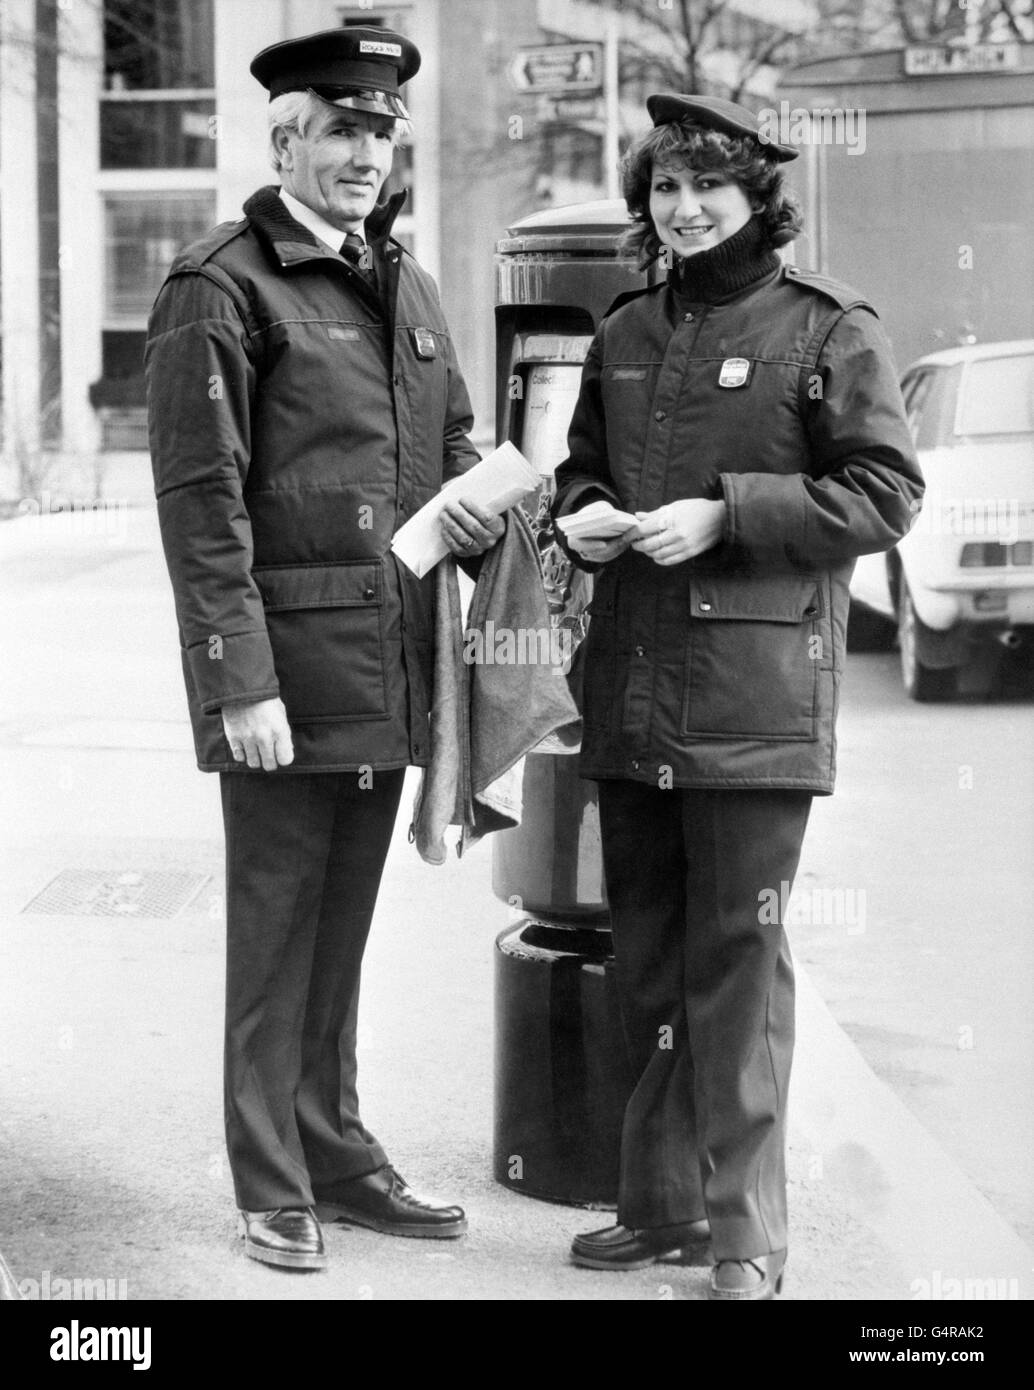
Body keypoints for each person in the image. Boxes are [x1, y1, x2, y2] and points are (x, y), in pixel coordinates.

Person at [551, 94, 924, 1299]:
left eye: (705, 184)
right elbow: (580, 472)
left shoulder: (826, 327)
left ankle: (744, 1235)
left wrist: (731, 509)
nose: (682, 205)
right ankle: (656, 1207)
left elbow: (882, 493)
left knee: (738, 969)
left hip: (754, 706)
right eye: (662, 185)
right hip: (633, 691)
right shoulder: (626, 327)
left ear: (757, 195)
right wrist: (584, 520)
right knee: (648, 962)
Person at [144, 25, 502, 1272]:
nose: (364, 152)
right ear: (284, 139)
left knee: (339, 936)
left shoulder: (402, 279)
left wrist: (507, 494)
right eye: (340, 128)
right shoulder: (222, 285)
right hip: (286, 681)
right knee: (275, 936)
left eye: (381, 130)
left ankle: (335, 1151)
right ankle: (272, 1179)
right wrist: (236, 680)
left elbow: (445, 445)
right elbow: (204, 505)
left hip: (389, 668)